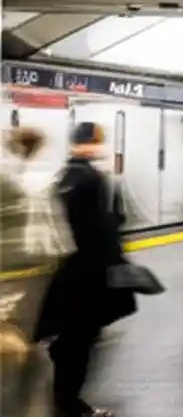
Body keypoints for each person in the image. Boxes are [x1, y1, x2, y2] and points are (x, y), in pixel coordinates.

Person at [36, 123, 137, 417]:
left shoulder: (62, 177)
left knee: (66, 342)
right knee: (81, 343)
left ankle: (59, 399)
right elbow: (102, 231)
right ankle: (69, 405)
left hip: (62, 273)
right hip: (87, 275)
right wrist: (117, 269)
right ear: (92, 143)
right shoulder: (94, 179)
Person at [1, 127, 72, 416]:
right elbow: (57, 233)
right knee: (24, 341)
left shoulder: (17, 176)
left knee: (17, 339)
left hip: (14, 269)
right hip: (32, 269)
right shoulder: (39, 179)